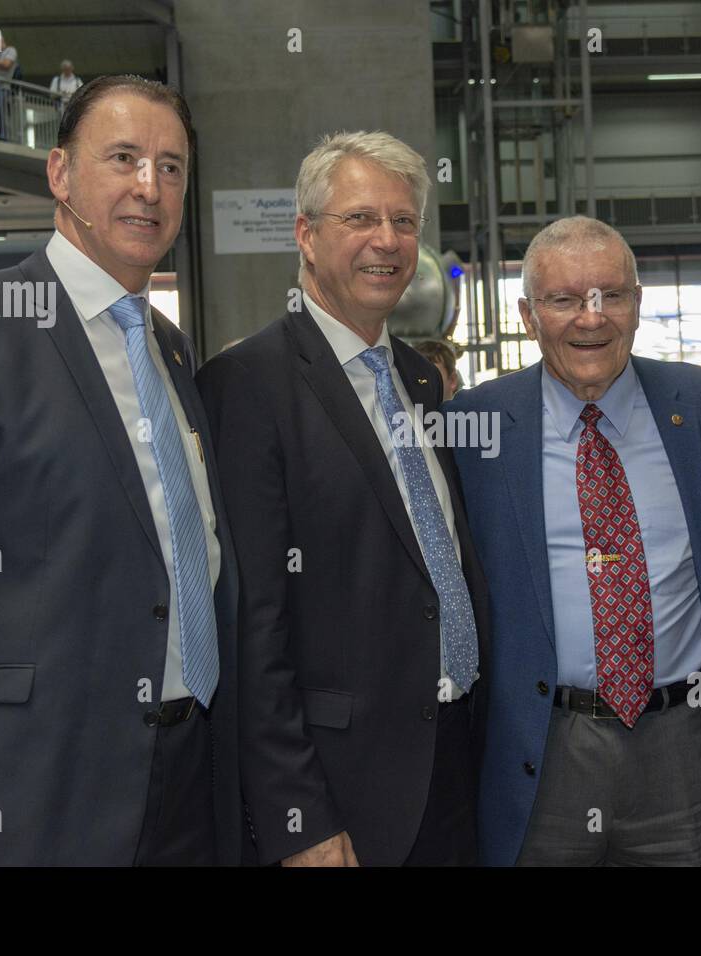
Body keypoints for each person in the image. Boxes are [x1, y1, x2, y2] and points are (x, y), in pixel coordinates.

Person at [0, 75, 242, 866]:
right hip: (39, 800)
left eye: (171, 167)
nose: (150, 187)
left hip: (192, 782)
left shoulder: (169, 348)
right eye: (125, 158)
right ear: (60, 175)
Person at [196, 131, 490, 867]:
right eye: (360, 219)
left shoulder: (418, 380)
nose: (386, 241)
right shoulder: (250, 384)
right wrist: (298, 816)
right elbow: (253, 626)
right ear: (306, 235)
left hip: (454, 763)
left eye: (403, 221)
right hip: (342, 793)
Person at [448, 217, 701, 866]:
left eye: (612, 295)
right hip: (543, 751)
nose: (592, 318)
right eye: (564, 300)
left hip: (685, 748)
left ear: (637, 304)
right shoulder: (473, 430)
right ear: (528, 315)